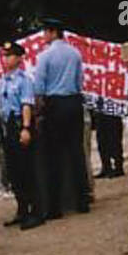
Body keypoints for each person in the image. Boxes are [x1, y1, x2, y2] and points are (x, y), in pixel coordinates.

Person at [33, 18, 90, 217]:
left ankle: (55, 207)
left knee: (54, 155)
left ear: (52, 32)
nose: (43, 36)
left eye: (45, 32)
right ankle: (82, 200)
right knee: (76, 152)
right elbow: (79, 80)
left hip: (54, 104)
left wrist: (39, 112)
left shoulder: (44, 56)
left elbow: (39, 86)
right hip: (74, 102)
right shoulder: (75, 54)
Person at [0, 41, 42, 229]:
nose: (5, 59)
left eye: (9, 56)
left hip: (20, 124)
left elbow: (26, 105)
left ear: (19, 58)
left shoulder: (24, 80)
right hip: (8, 127)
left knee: (27, 170)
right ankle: (22, 209)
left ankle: (36, 211)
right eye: (4, 56)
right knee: (14, 171)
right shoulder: (3, 80)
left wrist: (26, 128)